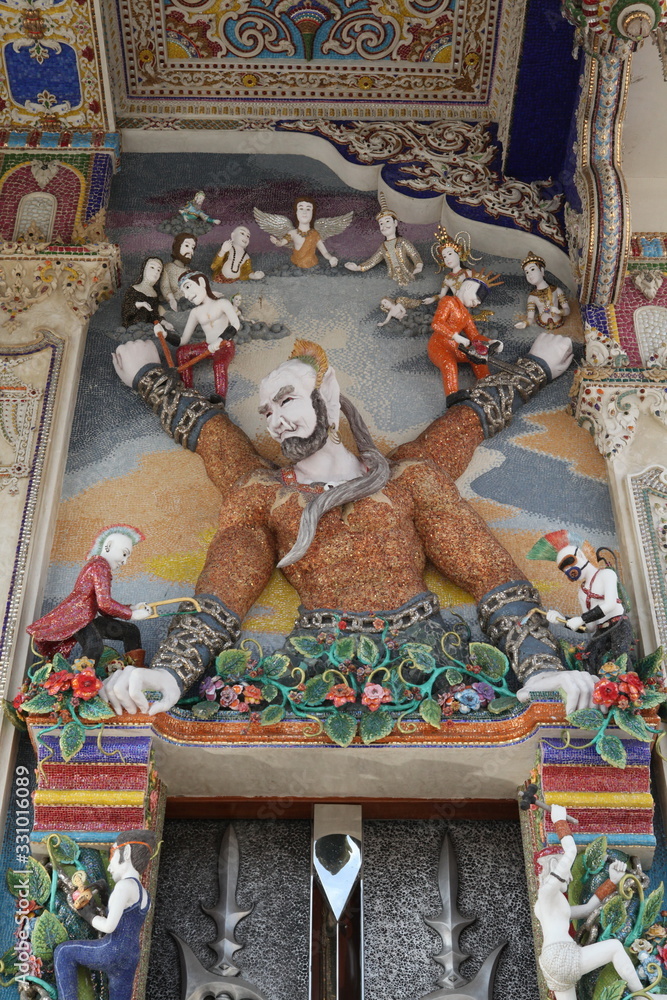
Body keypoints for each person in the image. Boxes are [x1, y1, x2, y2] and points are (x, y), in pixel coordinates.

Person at [105, 335, 597, 717]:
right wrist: (170, 672)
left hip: (432, 662)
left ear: (329, 392)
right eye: (267, 412)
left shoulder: (408, 476)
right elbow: (225, 576)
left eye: (286, 400)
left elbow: (486, 567)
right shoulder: (264, 493)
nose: (276, 420)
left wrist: (542, 668)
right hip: (313, 668)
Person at [534, 804, 664, 1000]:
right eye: (565, 872)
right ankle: (641, 996)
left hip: (552, 965)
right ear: (554, 868)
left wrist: (612, 881)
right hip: (562, 956)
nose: (569, 878)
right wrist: (559, 821)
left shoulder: (555, 906)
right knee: (614, 948)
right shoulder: (546, 894)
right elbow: (569, 852)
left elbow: (588, 909)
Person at [26, 525, 151, 665]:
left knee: (130, 631)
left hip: (88, 618)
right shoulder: (99, 567)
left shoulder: (99, 566)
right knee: (94, 646)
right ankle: (83, 682)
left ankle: (134, 671)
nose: (125, 561)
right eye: (124, 554)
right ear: (108, 546)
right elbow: (105, 604)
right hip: (78, 619)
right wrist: (131, 614)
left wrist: (132, 608)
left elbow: (103, 608)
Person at [54, 831, 155, 1000]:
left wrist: (87, 914)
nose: (109, 866)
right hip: (130, 958)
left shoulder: (124, 886)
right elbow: (126, 920)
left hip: (112, 950)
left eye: (112, 855)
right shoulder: (146, 895)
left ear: (127, 852)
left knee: (63, 952)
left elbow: (109, 926)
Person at [528, 530, 634, 673]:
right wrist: (562, 621)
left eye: (570, 562)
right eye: (564, 569)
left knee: (621, 656)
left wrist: (581, 618)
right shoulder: (582, 592)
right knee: (589, 659)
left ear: (581, 556)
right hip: (601, 630)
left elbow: (610, 604)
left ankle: (633, 689)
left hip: (619, 624)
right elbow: (590, 628)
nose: (570, 570)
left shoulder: (606, 574)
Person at [428, 277, 503, 395]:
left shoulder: (465, 314)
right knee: (449, 363)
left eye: (479, 301)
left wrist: (490, 342)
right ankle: (452, 396)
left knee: (477, 356)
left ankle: (487, 383)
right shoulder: (448, 301)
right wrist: (455, 336)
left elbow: (474, 336)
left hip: (455, 347)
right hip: (438, 346)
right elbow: (437, 323)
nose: (477, 303)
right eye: (477, 298)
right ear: (468, 288)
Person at [254, 197, 352, 269]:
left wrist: (331, 258)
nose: (304, 212)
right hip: (296, 265)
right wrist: (277, 242)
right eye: (301, 208)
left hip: (313, 266)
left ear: (312, 213)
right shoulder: (292, 233)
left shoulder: (315, 234)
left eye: (308, 209)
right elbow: (281, 243)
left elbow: (325, 252)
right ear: (296, 212)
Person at [345, 207, 423, 287]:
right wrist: (358, 268)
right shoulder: (383, 247)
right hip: (394, 276)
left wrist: (418, 266)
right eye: (381, 223)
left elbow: (414, 254)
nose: (384, 225)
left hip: (408, 272)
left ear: (395, 223)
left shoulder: (402, 242)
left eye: (387, 221)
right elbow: (373, 261)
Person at [178, 271, 241, 353]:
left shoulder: (222, 303)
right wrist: (165, 334)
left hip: (224, 345)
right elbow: (183, 340)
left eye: (187, 287)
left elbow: (235, 324)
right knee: (181, 352)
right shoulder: (195, 312)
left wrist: (220, 340)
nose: (186, 296)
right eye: (183, 292)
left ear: (202, 282)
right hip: (207, 348)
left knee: (219, 366)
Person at [514, 250, 571, 330]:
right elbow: (530, 318)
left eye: (532, 269)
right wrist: (525, 323)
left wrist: (559, 311)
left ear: (542, 271)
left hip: (559, 322)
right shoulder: (532, 297)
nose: (529, 274)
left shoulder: (556, 290)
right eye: (527, 272)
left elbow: (567, 310)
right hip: (542, 324)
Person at [121, 257, 164, 328]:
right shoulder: (134, 289)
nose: (156, 272)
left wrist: (164, 322)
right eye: (152, 267)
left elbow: (154, 316)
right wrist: (141, 304)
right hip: (132, 328)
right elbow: (126, 310)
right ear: (144, 269)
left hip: (149, 329)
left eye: (159, 270)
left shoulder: (155, 294)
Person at [159, 233, 197, 311]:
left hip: (190, 301)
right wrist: (171, 300)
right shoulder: (167, 267)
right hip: (174, 303)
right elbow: (165, 287)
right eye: (187, 246)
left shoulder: (189, 270)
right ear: (177, 247)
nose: (191, 251)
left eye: (192, 248)